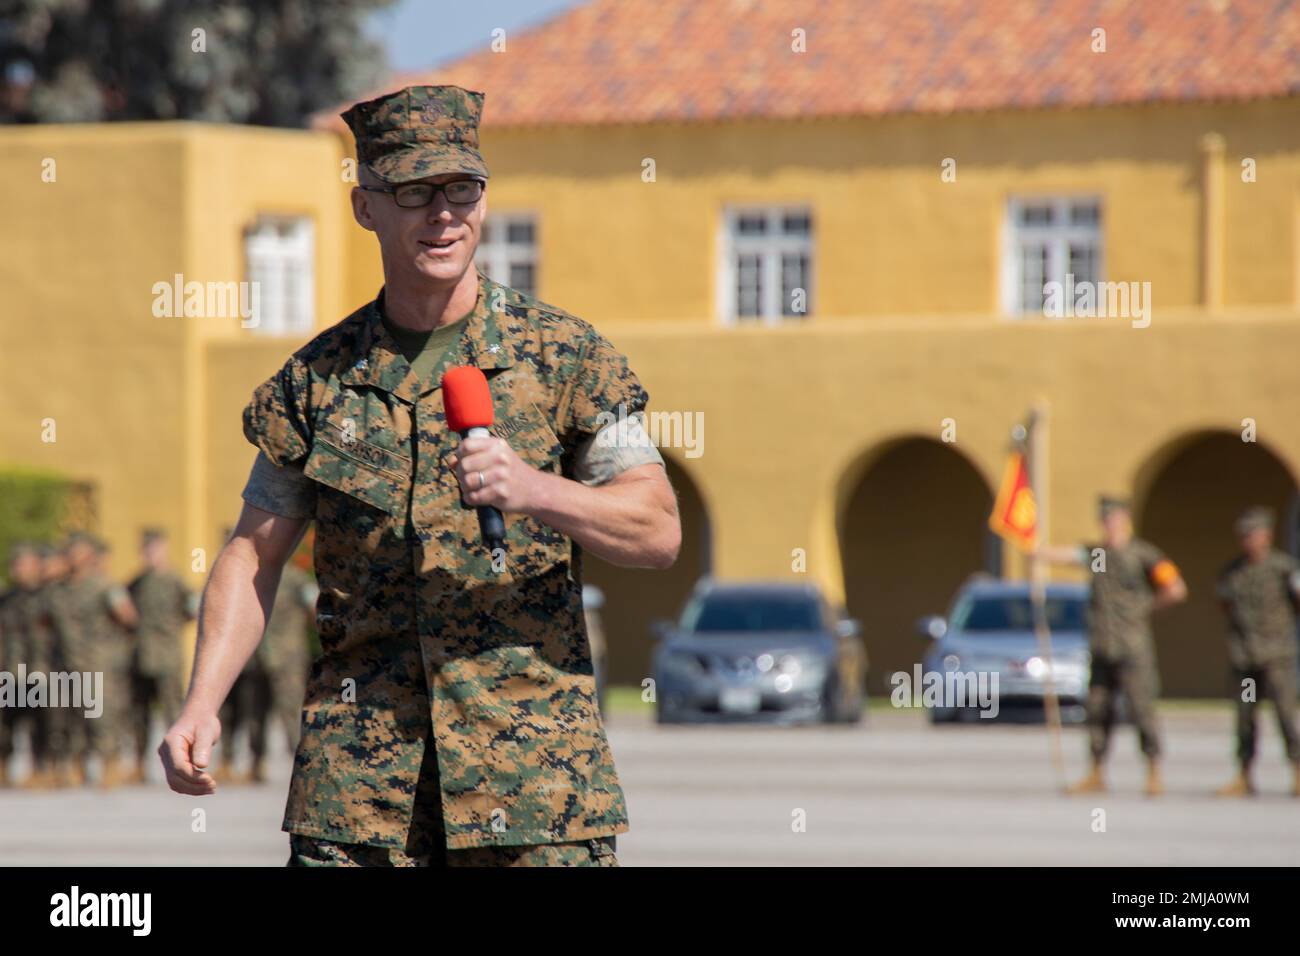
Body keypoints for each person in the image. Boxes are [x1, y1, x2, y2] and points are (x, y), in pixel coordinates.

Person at [159, 84, 681, 867]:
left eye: (461, 189)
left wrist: (535, 489)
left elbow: (657, 529)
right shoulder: (314, 383)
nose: (443, 214)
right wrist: (202, 702)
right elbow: (253, 555)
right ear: (365, 206)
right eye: (413, 191)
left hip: (535, 786)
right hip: (361, 797)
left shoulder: (567, 359)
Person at [1036, 495, 1187, 796]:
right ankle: (1096, 773)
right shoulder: (1098, 555)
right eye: (1104, 518)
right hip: (1102, 647)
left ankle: (1153, 772)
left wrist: (1145, 607)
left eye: (1113, 517)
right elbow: (1068, 555)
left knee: (1142, 709)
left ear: (1124, 518)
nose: (1108, 523)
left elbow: (1176, 589)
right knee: (1097, 710)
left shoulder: (1143, 554)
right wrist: (1036, 552)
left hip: (1133, 647)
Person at [1214, 507, 1300, 797]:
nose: (1249, 540)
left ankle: (1297, 772)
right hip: (1246, 659)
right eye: (1244, 535)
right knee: (1246, 717)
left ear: (1267, 535)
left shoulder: (1285, 569)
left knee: (1285, 715)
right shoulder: (1233, 572)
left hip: (1277, 657)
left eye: (1254, 534)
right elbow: (1224, 605)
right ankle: (1244, 774)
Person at [127, 528, 196, 784]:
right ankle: (138, 764)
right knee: (139, 713)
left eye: (154, 548)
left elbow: (193, 608)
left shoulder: (175, 581)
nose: (150, 554)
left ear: (164, 549)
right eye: (146, 549)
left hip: (167, 655)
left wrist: (171, 628)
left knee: (173, 712)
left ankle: (184, 764)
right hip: (141, 656)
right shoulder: (137, 582)